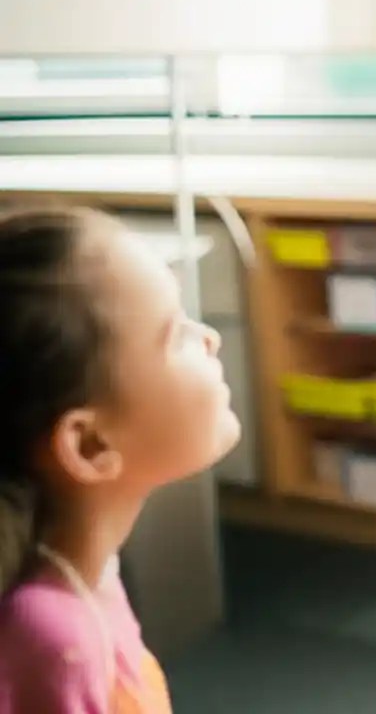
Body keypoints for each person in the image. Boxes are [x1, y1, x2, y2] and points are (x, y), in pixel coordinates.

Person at [0, 207, 241, 713]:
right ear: (90, 446)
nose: (209, 338)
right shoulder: (48, 639)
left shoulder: (88, 574)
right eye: (174, 333)